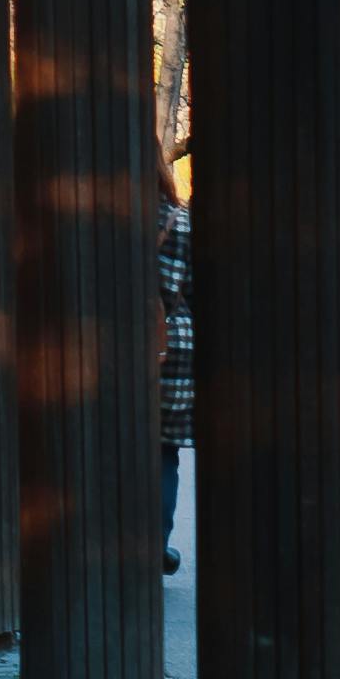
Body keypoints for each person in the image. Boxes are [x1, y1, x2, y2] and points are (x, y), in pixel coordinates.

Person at [158, 149, 193, 574]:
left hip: (103, 348)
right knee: (163, 452)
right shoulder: (178, 220)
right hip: (171, 346)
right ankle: (156, 543)